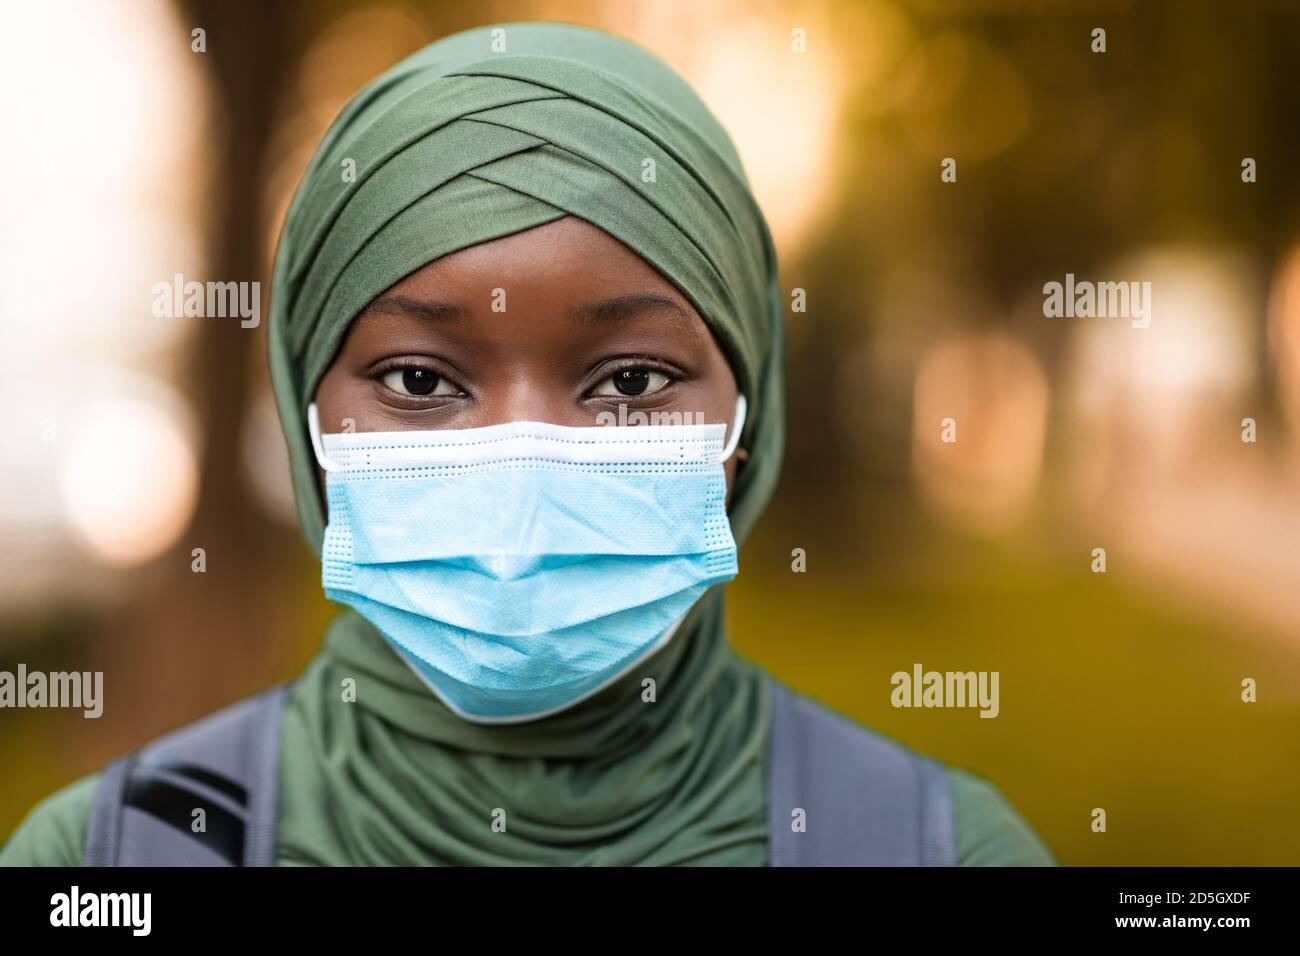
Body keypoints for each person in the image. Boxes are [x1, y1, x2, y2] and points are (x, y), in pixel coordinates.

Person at [0, 21, 1053, 867]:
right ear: (306, 415)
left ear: (747, 420)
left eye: (629, 382)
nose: (522, 469)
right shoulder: (111, 859)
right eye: (420, 380)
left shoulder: (939, 848)